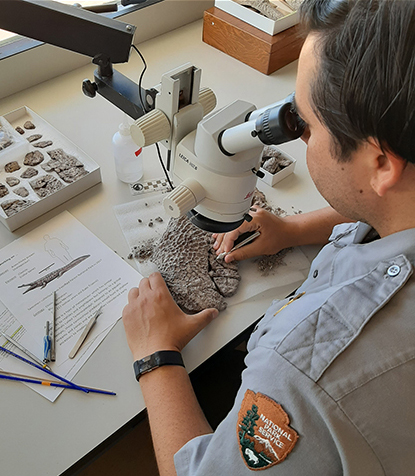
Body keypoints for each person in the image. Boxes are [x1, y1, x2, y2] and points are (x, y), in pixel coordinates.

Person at [120, 0, 415, 474]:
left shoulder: (304, 375)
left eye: (306, 125)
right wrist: (295, 228)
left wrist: (154, 354)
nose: (296, 135)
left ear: (380, 163)